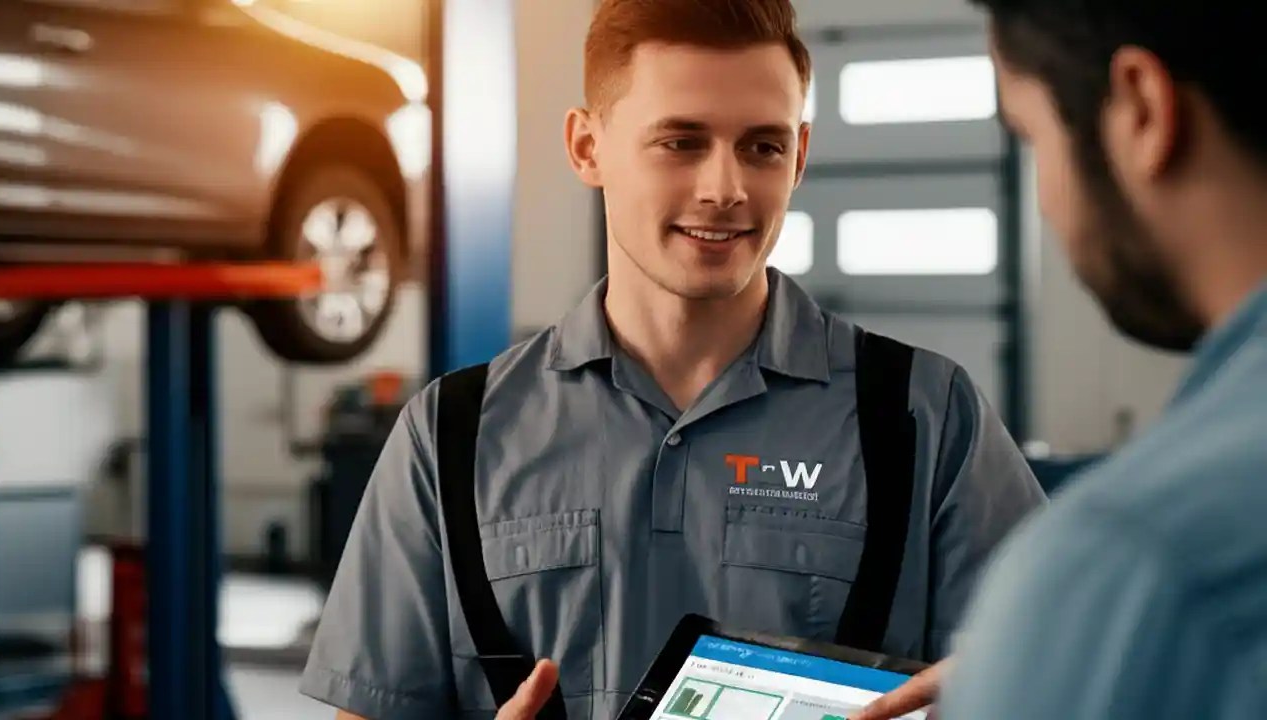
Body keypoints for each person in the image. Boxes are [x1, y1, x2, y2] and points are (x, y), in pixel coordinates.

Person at [298, 1, 1045, 718]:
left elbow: (1055, 677)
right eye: (681, 142)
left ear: (801, 154)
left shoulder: (924, 418)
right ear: (587, 147)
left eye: (762, 146)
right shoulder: (451, 436)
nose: (724, 189)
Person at [853, 2, 1267, 719]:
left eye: (1031, 137)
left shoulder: (1129, 565)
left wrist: (1053, 662)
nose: (1045, 199)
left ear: (1142, 108)